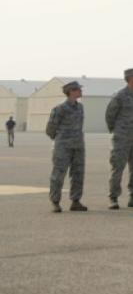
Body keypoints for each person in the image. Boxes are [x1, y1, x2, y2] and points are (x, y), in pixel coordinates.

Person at [106, 67, 133, 209]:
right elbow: (109, 116)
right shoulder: (119, 95)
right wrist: (117, 131)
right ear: (130, 78)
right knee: (117, 168)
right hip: (121, 139)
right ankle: (113, 198)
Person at [46, 81, 87, 213]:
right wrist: (60, 140)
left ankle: (76, 201)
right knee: (58, 174)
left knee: (78, 174)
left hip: (78, 146)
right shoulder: (60, 109)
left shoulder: (80, 107)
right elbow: (50, 129)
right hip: (63, 147)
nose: (81, 92)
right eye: (78, 90)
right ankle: (55, 202)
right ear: (71, 91)